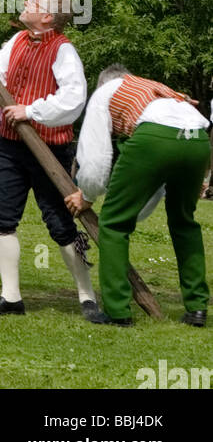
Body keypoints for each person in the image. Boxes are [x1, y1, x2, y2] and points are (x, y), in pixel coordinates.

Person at [0, 0, 103, 320]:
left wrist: (31, 111)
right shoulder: (18, 40)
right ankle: (10, 297)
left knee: (61, 223)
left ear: (47, 17)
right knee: (1, 219)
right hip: (9, 145)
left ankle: (86, 296)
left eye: (31, 1)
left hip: (50, 148)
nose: (24, 3)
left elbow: (74, 99)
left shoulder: (64, 50)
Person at [66, 65, 210, 327]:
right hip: (198, 139)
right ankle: (197, 307)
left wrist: (86, 195)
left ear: (103, 83)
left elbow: (96, 156)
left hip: (155, 138)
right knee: (184, 223)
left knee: (114, 223)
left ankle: (117, 311)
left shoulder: (104, 94)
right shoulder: (157, 88)